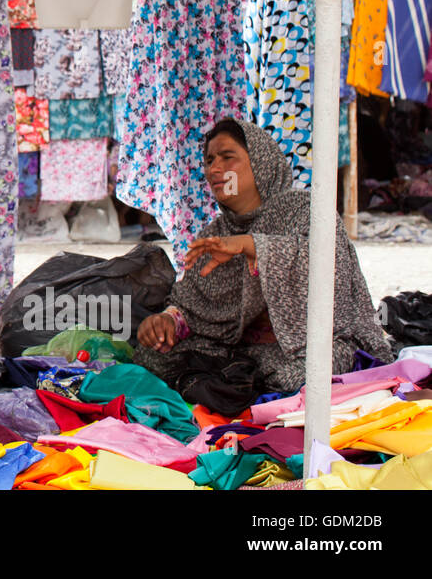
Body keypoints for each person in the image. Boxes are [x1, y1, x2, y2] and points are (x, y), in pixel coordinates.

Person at [133, 118, 391, 407]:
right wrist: (168, 320)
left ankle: (233, 389)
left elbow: (325, 261)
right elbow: (192, 305)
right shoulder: (214, 234)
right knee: (150, 356)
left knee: (306, 374)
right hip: (240, 351)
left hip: (301, 348)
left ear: (260, 161)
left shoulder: (304, 209)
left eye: (227, 158)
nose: (214, 170)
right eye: (209, 161)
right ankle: (235, 387)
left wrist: (253, 246)